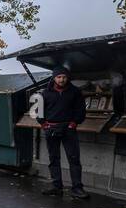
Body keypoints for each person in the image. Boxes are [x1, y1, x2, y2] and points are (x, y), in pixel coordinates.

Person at [38, 67, 89, 199]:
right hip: (51, 129)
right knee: (54, 158)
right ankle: (56, 186)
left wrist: (74, 123)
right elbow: (37, 111)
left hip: (69, 129)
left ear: (68, 78)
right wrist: (44, 124)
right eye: (59, 77)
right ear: (54, 78)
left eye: (64, 77)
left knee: (74, 159)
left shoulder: (75, 92)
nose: (62, 79)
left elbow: (81, 110)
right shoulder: (45, 93)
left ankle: (77, 188)